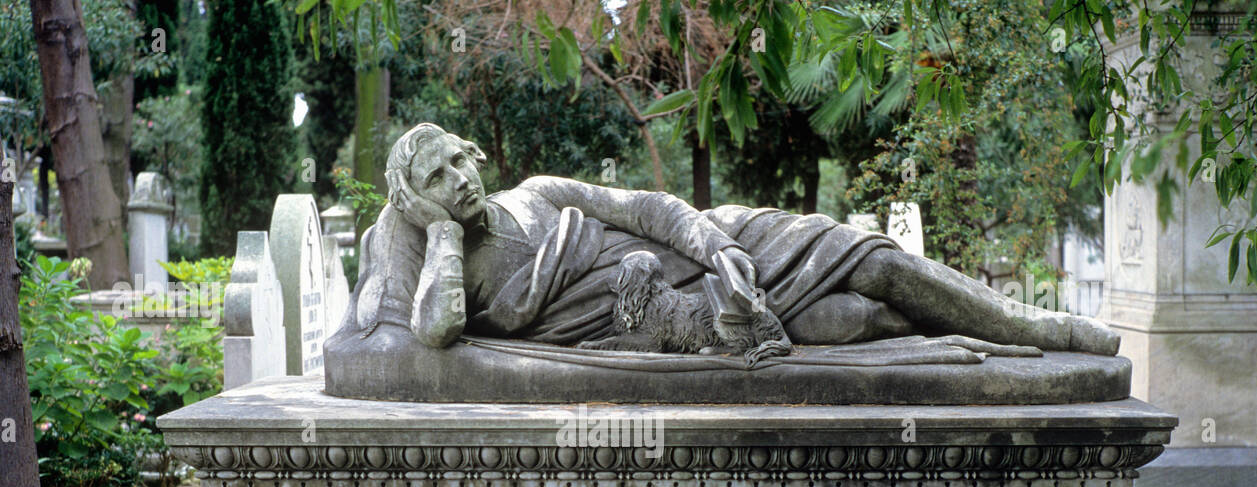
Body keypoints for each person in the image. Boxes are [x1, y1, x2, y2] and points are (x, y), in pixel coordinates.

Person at [340, 123, 1119, 358]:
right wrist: (442, 238)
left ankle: (1036, 327)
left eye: (456, 162)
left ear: (475, 153)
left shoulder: (536, 194)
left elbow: (643, 205)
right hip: (657, 314)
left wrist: (719, 248)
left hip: (713, 245)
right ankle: (961, 340)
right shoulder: (439, 267)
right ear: (415, 198)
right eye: (435, 179)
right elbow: (433, 334)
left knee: (872, 262)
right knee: (843, 320)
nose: (458, 180)